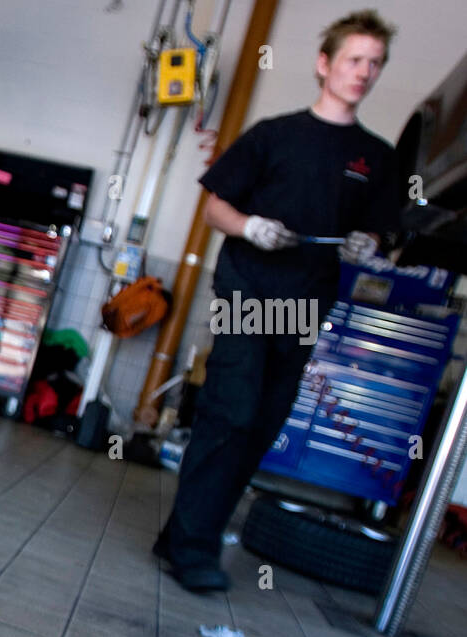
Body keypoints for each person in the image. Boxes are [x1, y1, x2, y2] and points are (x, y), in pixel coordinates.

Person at [155, 9, 403, 592]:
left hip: (305, 302)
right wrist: (250, 228)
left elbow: (380, 231)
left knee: (261, 423)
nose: (364, 72)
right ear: (324, 65)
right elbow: (215, 206)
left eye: (375, 64)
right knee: (231, 411)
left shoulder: (376, 156)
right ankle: (194, 550)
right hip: (248, 288)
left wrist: (371, 244)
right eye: (353, 60)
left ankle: (182, 535)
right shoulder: (274, 134)